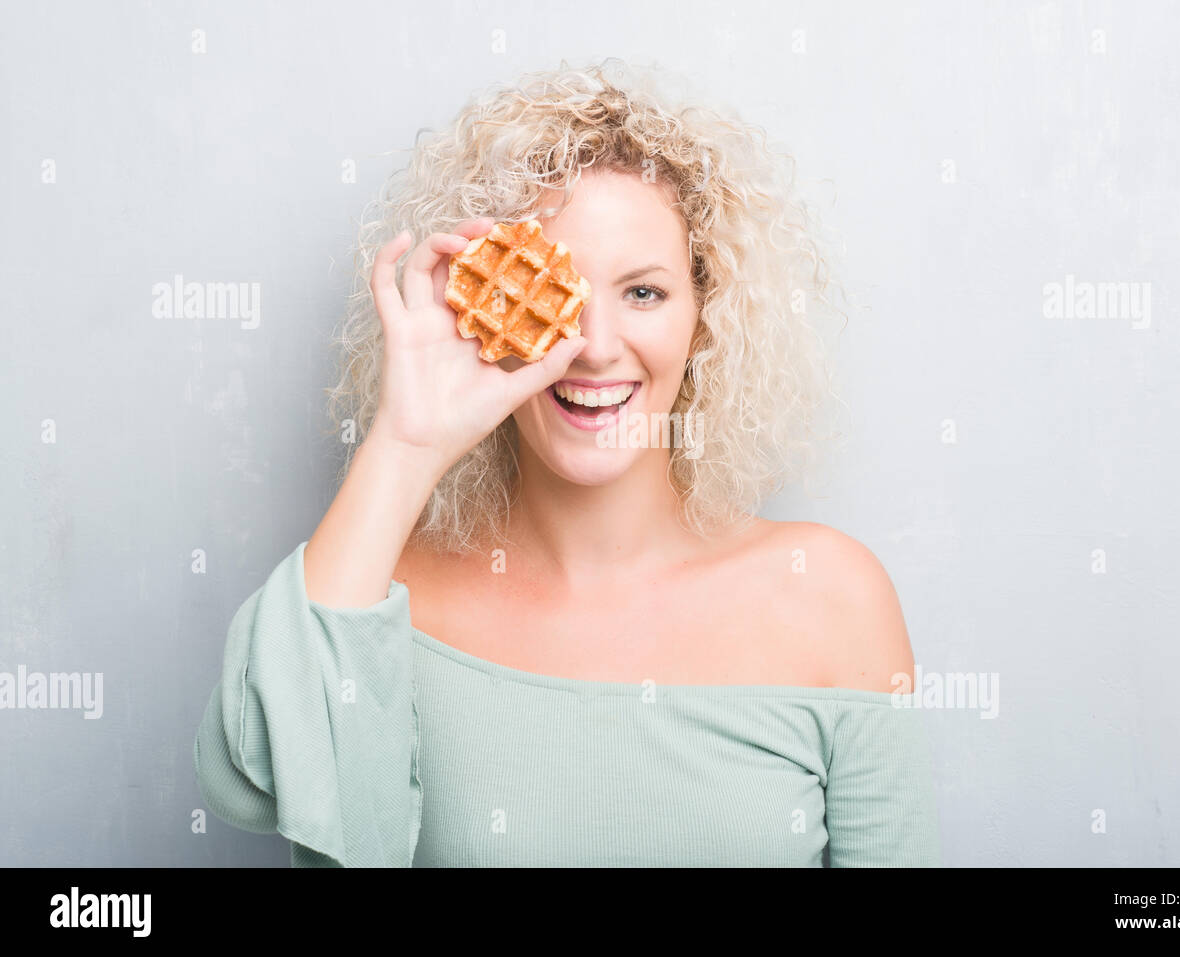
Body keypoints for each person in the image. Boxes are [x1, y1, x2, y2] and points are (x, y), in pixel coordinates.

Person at [193, 59, 941, 867]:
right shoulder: (386, 597)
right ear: (484, 309)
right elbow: (248, 780)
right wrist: (407, 443)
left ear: (706, 318)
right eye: (564, 293)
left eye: (644, 293)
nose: (594, 346)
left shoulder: (829, 595)